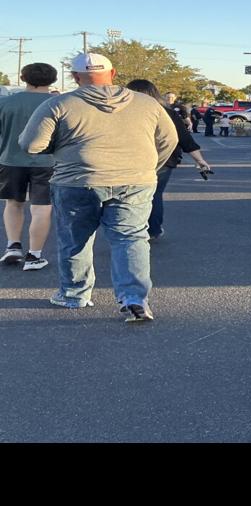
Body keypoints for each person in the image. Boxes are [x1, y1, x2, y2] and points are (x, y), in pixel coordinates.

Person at [19, 52, 176, 322]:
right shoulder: (147, 104)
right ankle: (134, 300)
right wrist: (146, 167)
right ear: (113, 74)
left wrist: (61, 150)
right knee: (131, 238)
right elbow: (168, 140)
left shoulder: (59, 104)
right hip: (135, 180)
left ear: (75, 76)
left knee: (75, 239)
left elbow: (31, 145)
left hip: (77, 181)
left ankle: (74, 294)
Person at [126, 79, 212, 242]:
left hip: (142, 159)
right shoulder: (167, 112)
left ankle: (141, 227)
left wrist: (200, 160)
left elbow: (184, 139)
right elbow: (185, 139)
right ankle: (152, 229)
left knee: (139, 194)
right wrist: (200, 161)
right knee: (153, 194)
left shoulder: (129, 113)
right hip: (164, 159)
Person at [0, 63, 59, 272]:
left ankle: (13, 246)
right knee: (42, 207)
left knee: (13, 203)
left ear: (23, 78)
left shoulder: (5, 102)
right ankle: (34, 255)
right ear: (52, 79)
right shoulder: (58, 103)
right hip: (48, 162)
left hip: (10, 159)